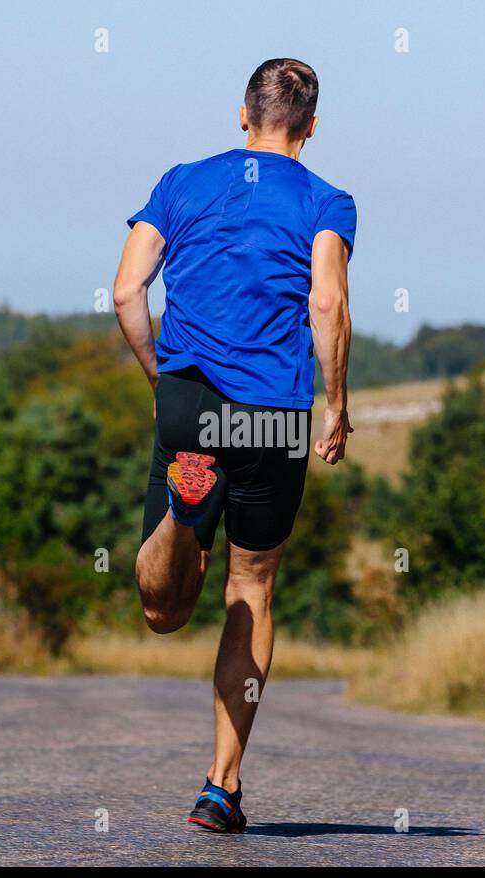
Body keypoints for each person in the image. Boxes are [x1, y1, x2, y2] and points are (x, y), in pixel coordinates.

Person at [112, 57, 355, 833]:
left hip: (189, 402)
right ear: (311, 128)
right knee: (250, 590)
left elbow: (125, 290)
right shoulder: (327, 200)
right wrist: (336, 407)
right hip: (271, 413)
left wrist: (161, 379)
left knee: (162, 613)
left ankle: (185, 518)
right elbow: (326, 302)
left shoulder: (182, 181)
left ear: (240, 114)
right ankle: (221, 786)